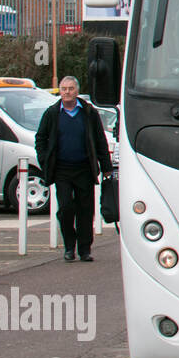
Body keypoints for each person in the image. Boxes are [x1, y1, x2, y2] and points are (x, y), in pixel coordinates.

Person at [34, 77, 114, 263]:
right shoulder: (52, 113)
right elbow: (41, 138)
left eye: (70, 88)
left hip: (84, 168)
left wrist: (106, 166)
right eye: (63, 89)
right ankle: (69, 247)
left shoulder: (88, 112)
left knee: (85, 210)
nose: (67, 92)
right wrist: (45, 160)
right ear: (59, 91)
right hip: (61, 169)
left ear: (77, 91)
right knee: (66, 208)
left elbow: (99, 139)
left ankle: (84, 249)